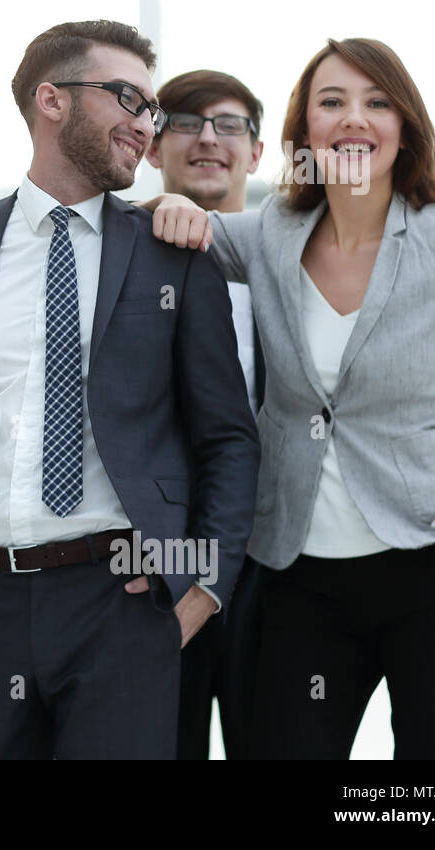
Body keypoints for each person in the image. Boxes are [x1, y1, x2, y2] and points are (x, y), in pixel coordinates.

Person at [151, 37, 435, 759]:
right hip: (297, 585)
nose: (355, 118)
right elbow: (166, 228)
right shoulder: (267, 238)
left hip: (432, 571)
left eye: (376, 102)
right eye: (332, 102)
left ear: (403, 126)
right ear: (305, 133)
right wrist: (171, 206)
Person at [0, 21, 260, 759]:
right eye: (128, 98)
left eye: (151, 110)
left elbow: (227, 436)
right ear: (52, 101)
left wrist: (202, 586)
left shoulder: (174, 253)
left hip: (122, 603)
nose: (145, 125)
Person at [145, 69, 266, 760]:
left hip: (280, 568)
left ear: (256, 152)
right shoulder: (122, 259)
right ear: (152, 146)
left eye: (228, 125)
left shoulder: (296, 258)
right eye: (185, 123)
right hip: (156, 567)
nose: (207, 139)